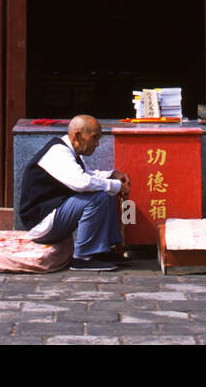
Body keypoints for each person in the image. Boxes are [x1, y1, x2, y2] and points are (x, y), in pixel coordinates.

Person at [20, 114, 131, 271]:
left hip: (54, 213)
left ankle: (102, 250)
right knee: (98, 197)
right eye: (94, 138)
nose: (97, 144)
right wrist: (115, 186)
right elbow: (81, 182)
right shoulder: (58, 152)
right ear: (78, 135)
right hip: (41, 223)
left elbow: (88, 174)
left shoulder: (70, 151)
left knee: (106, 191)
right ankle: (82, 257)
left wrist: (112, 175)